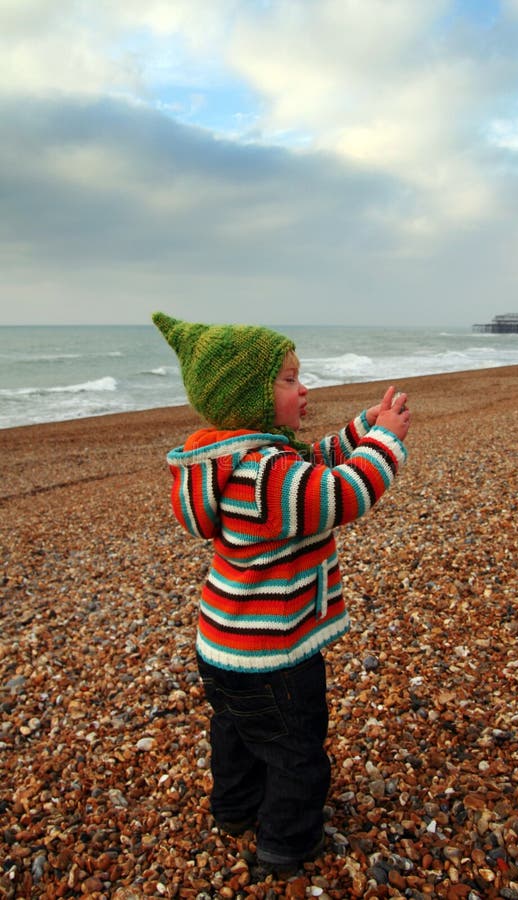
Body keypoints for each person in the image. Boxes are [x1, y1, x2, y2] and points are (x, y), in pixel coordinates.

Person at [152, 312, 411, 879]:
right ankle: (286, 844)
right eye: (290, 379)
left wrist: (360, 429)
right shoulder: (264, 475)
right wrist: (386, 442)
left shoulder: (237, 461)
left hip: (224, 645)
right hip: (273, 653)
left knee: (236, 732)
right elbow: (340, 493)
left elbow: (310, 462)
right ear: (250, 397)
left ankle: (235, 810)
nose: (304, 388)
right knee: (295, 747)